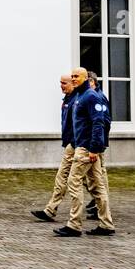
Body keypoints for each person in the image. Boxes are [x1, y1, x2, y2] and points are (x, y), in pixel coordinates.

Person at [32, 74, 103, 222]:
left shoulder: (81, 99)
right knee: (65, 177)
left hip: (80, 145)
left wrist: (92, 146)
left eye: (65, 83)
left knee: (89, 181)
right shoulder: (69, 99)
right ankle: (50, 210)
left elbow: (95, 123)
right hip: (73, 144)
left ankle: (98, 213)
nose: (61, 86)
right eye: (60, 83)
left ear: (73, 84)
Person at [53, 67, 114, 237]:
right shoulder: (80, 95)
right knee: (97, 186)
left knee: (74, 182)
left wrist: (94, 149)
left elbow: (99, 122)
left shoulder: (91, 96)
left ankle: (74, 225)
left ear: (86, 78)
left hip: (86, 149)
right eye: (72, 76)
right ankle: (106, 224)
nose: (73, 79)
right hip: (83, 146)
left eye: (76, 76)